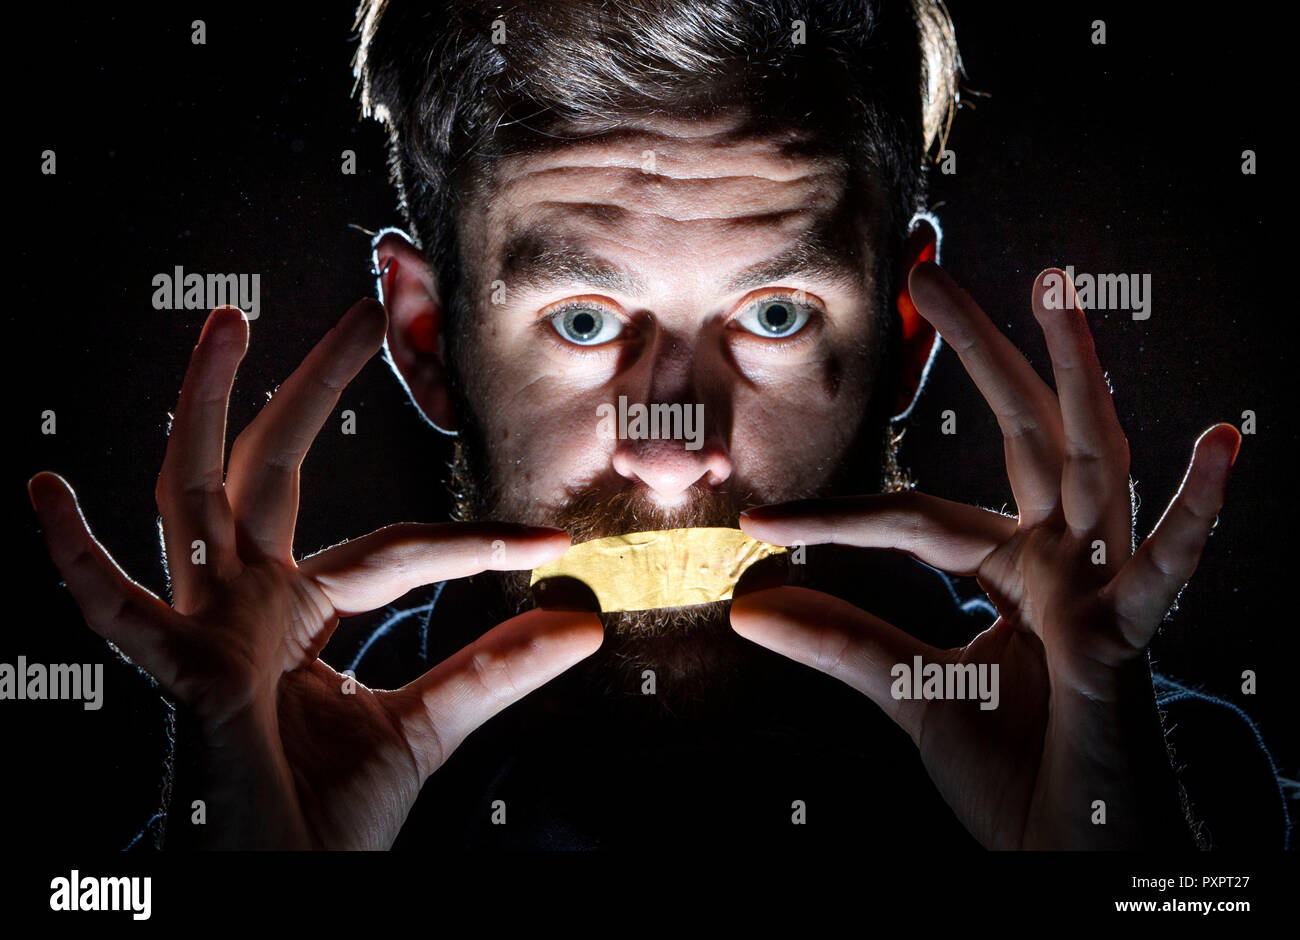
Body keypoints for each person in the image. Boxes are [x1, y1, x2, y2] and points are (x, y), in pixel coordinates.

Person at [28, 0, 1289, 850]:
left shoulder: (1189, 795)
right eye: (584, 321)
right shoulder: (269, 787)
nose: (679, 446)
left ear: (906, 339)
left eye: (776, 314)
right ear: (428, 340)